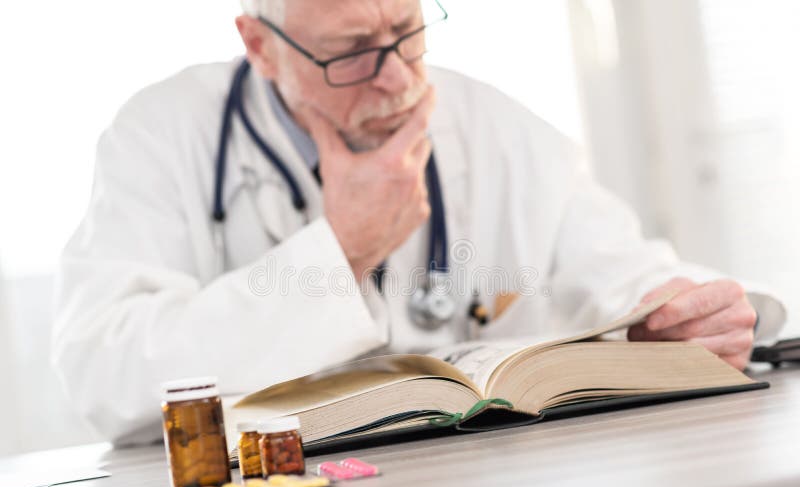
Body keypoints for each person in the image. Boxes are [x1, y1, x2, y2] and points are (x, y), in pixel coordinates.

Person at [52, 0, 785, 445]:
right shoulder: (160, 136)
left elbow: (628, 275)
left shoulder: (497, 128)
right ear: (259, 45)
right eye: (350, 54)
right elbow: (106, 374)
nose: (398, 78)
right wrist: (341, 250)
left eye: (406, 30)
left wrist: (683, 314)